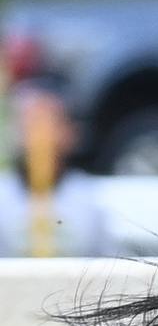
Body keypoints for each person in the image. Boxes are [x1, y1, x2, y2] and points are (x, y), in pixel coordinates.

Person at [0, 84, 111, 256]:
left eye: (51, 122)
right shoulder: (3, 196)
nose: (40, 133)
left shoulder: (88, 199)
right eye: (31, 122)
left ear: (71, 134)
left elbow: (109, 265)